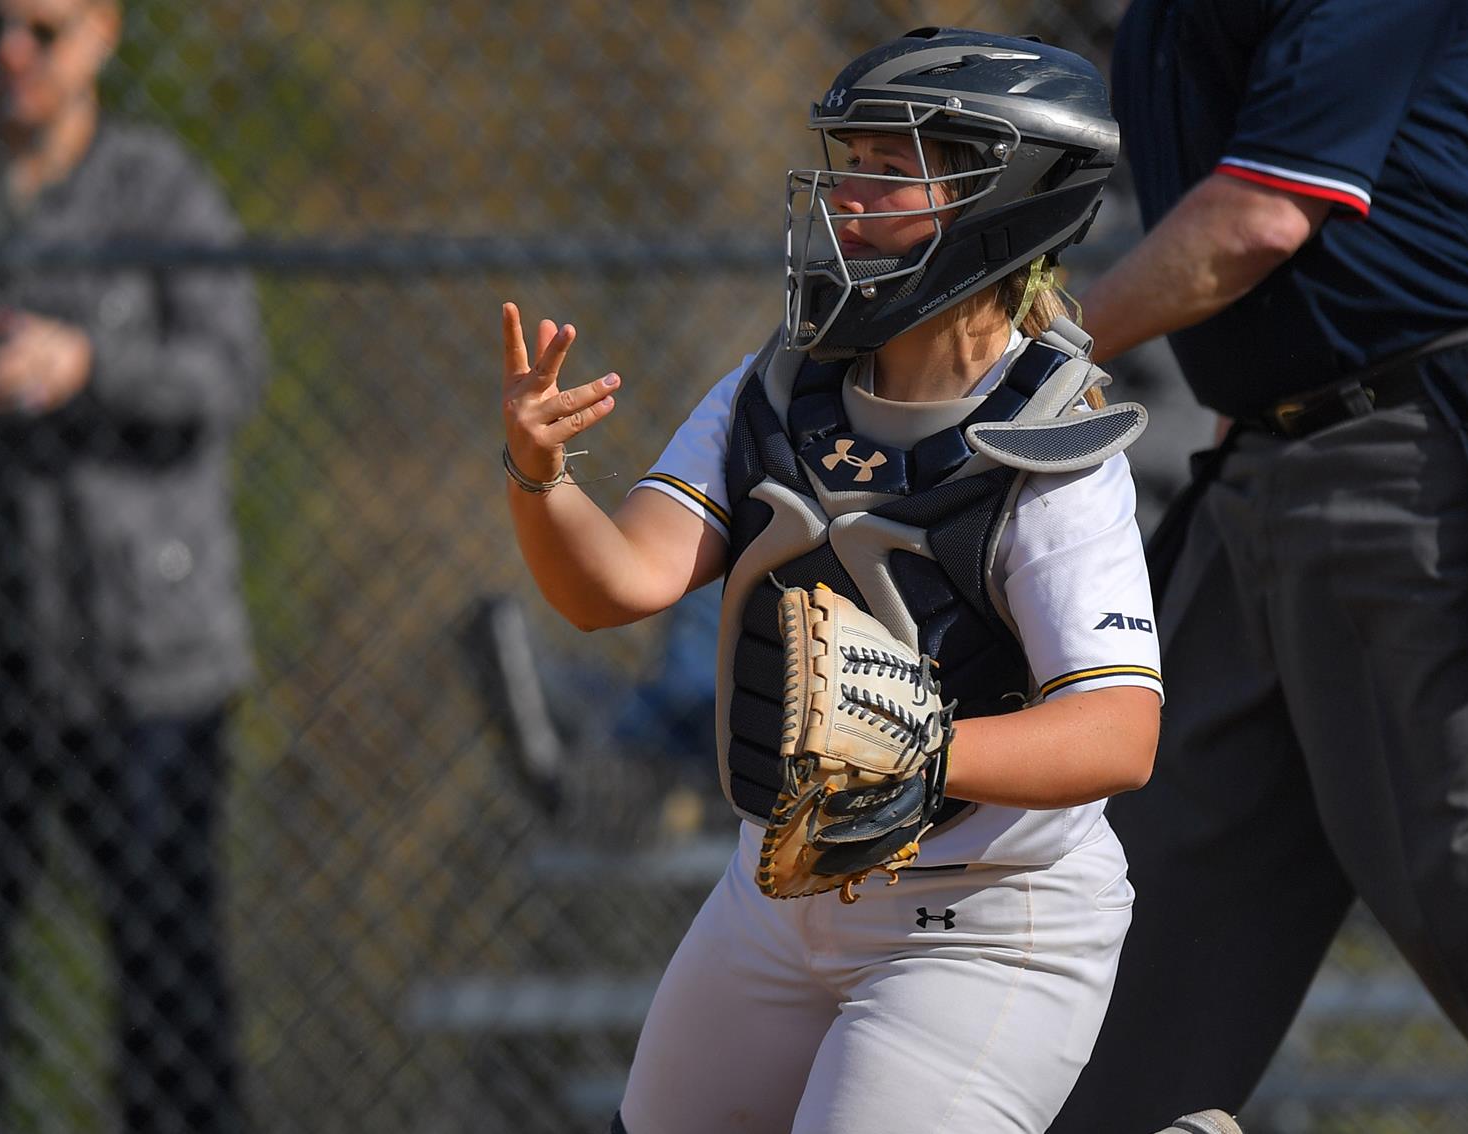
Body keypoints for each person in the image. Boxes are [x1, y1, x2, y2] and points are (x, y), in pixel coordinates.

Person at [1049, 2, 1468, 1132]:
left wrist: (1010, 355)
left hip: (1419, 445)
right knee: (1153, 884)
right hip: (1262, 462)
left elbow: (1262, 216)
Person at [496, 28, 1166, 1132]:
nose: (846, 195)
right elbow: (612, 584)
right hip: (777, 890)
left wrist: (923, 751)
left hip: (985, 920)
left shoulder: (1052, 440)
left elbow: (1119, 733)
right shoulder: (778, 385)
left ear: (999, 203)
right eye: (849, 162)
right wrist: (537, 474)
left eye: (889, 169)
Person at [0, 1, 266, 1131]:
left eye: (43, 30)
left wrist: (87, 366)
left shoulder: (160, 191)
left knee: (169, 1004)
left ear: (103, 33)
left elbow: (227, 372)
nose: (12, 54)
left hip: (141, 661)